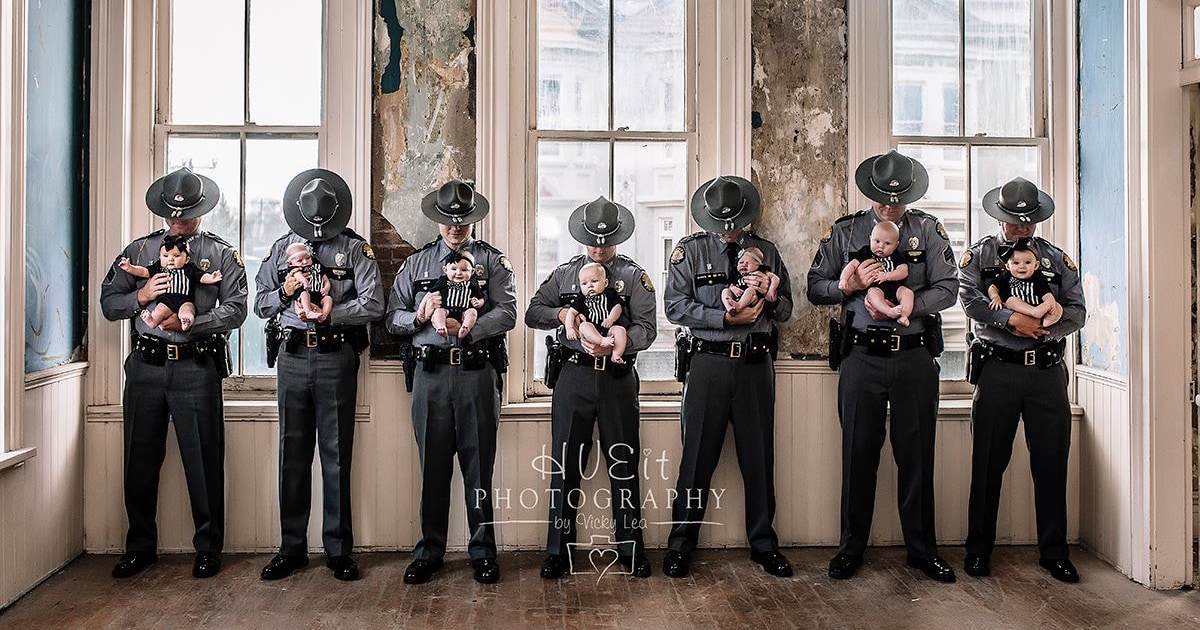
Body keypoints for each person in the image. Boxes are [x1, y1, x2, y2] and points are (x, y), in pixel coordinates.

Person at [807, 149, 959, 583]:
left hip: (913, 356)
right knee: (857, 455)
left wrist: (902, 308)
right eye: (883, 197)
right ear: (871, 191)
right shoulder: (848, 229)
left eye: (899, 197)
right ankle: (851, 548)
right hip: (861, 358)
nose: (891, 204)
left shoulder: (926, 230)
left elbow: (948, 288)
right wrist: (846, 285)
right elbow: (815, 287)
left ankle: (922, 550)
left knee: (917, 457)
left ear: (909, 194)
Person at [99, 167, 248, 580]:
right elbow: (109, 303)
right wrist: (141, 295)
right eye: (172, 214)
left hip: (196, 368)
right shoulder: (140, 250)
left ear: (200, 211)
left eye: (187, 214)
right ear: (163, 211)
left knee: (203, 459)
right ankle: (140, 546)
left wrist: (191, 322)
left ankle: (207, 547)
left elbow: (237, 309)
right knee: (139, 460)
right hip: (146, 367)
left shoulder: (219, 254)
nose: (179, 221)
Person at [661, 175, 794, 579]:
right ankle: (682, 543)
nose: (729, 231)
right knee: (697, 458)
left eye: (735, 222)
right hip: (708, 365)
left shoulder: (767, 251)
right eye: (721, 223)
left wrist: (770, 295)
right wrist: (723, 316)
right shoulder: (690, 251)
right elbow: (674, 307)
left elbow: (787, 309)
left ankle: (764, 543)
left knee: (759, 459)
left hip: (755, 366)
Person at [255, 169, 384, 582]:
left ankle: (338, 550)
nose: (316, 228)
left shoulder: (354, 249)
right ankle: (291, 547)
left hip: (334, 356)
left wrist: (334, 313)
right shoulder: (281, 248)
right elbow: (260, 304)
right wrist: (287, 293)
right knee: (291, 457)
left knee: (336, 455)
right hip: (291, 357)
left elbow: (374, 303)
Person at [386, 180, 516, 585]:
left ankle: (483, 552)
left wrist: (467, 328)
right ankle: (430, 550)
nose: (455, 229)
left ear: (472, 220)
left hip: (477, 373)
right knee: (434, 467)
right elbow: (393, 318)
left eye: (461, 222)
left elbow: (507, 313)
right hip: (431, 375)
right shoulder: (418, 264)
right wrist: (421, 318)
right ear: (438, 220)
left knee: (479, 467)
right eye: (448, 221)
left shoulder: (492, 263)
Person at [959, 177, 1085, 583]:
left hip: (1047, 374)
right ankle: (978, 550)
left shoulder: (1054, 259)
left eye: (1028, 223)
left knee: (1051, 466)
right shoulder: (980, 256)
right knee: (988, 465)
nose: (1022, 229)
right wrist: (1009, 319)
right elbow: (970, 298)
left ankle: (1055, 553)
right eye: (1014, 222)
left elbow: (1077, 310)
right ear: (1000, 218)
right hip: (998, 371)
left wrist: (1044, 328)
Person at [526, 196, 656, 580]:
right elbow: (534, 312)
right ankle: (558, 552)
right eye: (592, 241)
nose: (598, 247)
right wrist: (564, 313)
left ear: (617, 237)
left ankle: (631, 551)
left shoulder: (633, 276)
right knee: (565, 467)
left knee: (623, 464)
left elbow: (648, 327)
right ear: (582, 237)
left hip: (616, 377)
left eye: (606, 240)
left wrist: (619, 341)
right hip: (574, 375)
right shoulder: (566, 275)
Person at [120, 234, 224, 330]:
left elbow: (201, 277)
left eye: (177, 256)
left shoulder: (189, 268)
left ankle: (186, 321)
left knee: (188, 309)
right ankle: (152, 321)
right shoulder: (159, 268)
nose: (171, 259)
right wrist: (130, 268)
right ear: (160, 257)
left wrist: (211, 278)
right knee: (159, 310)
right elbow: (144, 272)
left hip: (184, 300)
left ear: (186, 259)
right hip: (166, 300)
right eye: (166, 256)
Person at [839, 220, 914, 327]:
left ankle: (904, 316)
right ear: (870, 239)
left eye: (887, 243)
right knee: (872, 294)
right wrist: (844, 279)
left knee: (908, 293)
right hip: (876, 287)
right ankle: (889, 311)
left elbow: (904, 271)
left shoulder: (896, 255)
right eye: (877, 241)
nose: (881, 246)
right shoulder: (865, 252)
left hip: (895, 287)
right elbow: (851, 266)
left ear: (895, 245)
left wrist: (887, 276)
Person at [984, 238, 1063, 326]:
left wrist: (1050, 303)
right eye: (1016, 263)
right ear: (1007, 266)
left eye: (1028, 262)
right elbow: (993, 287)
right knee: (1011, 301)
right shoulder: (1005, 276)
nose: (1022, 266)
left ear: (1036, 265)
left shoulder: (1038, 278)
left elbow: (1046, 293)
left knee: (1058, 307)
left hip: (1038, 308)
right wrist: (995, 297)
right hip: (1016, 312)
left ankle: (1045, 323)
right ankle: (1034, 312)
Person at [563, 261, 629, 364]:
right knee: (584, 326)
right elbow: (571, 313)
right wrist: (569, 328)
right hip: (592, 330)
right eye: (584, 283)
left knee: (620, 330)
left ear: (605, 283)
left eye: (594, 281)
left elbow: (618, 307)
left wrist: (611, 319)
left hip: (609, 329)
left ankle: (616, 354)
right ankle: (601, 341)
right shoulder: (581, 299)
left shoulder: (610, 294)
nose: (589, 286)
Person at [428, 249, 488, 339]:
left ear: (472, 272)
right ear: (445, 270)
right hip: (446, 309)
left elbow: (481, 297)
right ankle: (441, 327)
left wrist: (478, 303)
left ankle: (465, 328)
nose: (458, 273)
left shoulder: (472, 284)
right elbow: (430, 294)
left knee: (472, 312)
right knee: (438, 312)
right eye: (453, 269)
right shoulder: (443, 282)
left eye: (464, 270)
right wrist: (421, 310)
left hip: (464, 311)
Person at [284, 242, 334, 323]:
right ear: (290, 263)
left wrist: (326, 289)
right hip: (305, 292)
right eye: (299, 260)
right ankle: (308, 312)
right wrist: (305, 282)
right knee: (304, 295)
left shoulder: (317, 266)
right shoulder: (295, 269)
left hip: (318, 294)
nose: (305, 262)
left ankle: (323, 315)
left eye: (308, 258)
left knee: (328, 299)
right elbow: (298, 276)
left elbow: (326, 280)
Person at [721, 246, 781, 313]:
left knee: (750, 290)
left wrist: (771, 290)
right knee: (725, 291)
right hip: (736, 296)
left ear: (757, 265)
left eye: (747, 263)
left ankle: (739, 306)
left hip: (752, 299)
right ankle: (729, 307)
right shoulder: (735, 272)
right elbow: (730, 284)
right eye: (741, 262)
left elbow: (775, 278)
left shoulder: (760, 270)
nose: (743, 265)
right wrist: (733, 288)